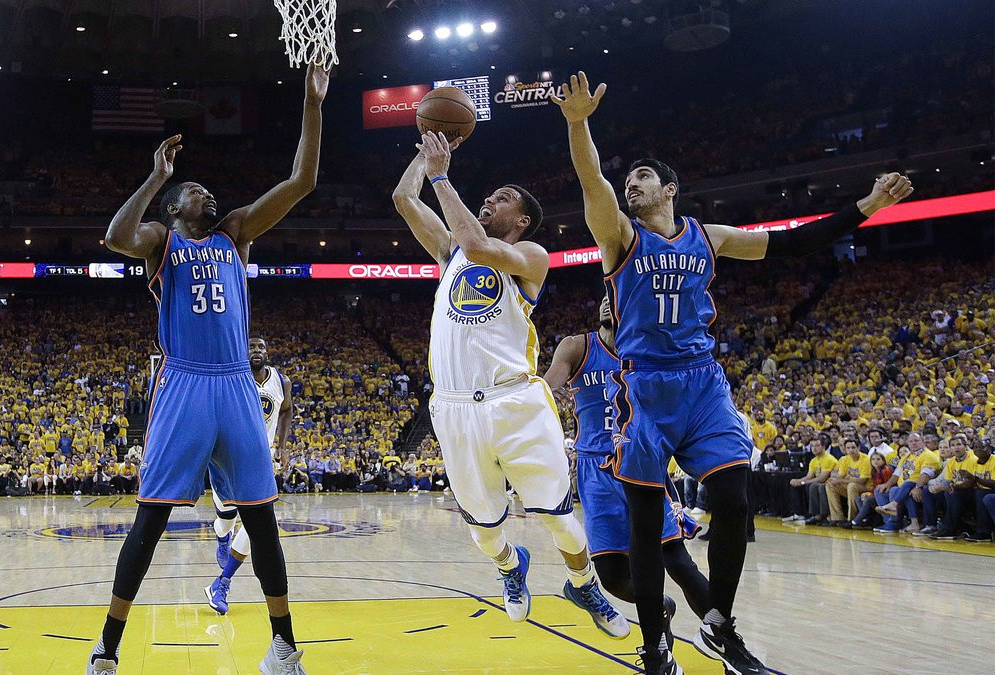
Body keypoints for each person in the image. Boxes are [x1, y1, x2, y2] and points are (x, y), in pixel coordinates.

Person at [551, 70, 913, 674]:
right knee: (647, 531)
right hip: (643, 388)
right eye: (628, 180)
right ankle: (654, 646)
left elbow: (793, 245)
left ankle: (719, 623)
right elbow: (591, 179)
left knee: (733, 495)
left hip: (701, 382)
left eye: (641, 177)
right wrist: (578, 122)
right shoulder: (618, 237)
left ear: (669, 188)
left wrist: (868, 206)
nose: (630, 185)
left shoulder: (710, 238)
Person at [87, 64, 328, 675]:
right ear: (173, 207)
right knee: (152, 516)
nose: (209, 195)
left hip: (235, 383)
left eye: (207, 191)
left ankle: (283, 646)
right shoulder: (161, 243)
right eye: (195, 191)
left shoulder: (234, 235)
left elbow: (302, 180)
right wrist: (157, 177)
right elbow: (116, 237)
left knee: (262, 518)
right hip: (185, 380)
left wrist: (312, 102)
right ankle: (107, 650)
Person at [391, 131, 628, 637]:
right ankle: (510, 567)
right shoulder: (448, 250)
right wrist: (422, 156)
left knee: (560, 518)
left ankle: (582, 582)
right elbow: (404, 200)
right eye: (489, 194)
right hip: (454, 408)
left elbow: (478, 246)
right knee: (484, 532)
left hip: (515, 400)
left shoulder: (532, 257)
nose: (488, 199)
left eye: (501, 198)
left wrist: (441, 173)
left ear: (520, 221)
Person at [543, 296, 708, 649]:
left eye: (615, 298)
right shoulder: (576, 346)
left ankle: (724, 635)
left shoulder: (654, 350)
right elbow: (549, 386)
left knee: (676, 561)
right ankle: (659, 609)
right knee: (613, 577)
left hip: (640, 462)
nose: (606, 303)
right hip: (593, 469)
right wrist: (553, 393)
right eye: (603, 298)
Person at [205, 337, 294, 616]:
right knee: (226, 519)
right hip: (227, 457)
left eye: (261, 348)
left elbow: (287, 411)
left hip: (261, 461)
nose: (257, 351)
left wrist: (281, 445)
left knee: (260, 527)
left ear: (267, 352)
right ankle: (221, 537)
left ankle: (221, 583)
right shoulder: (233, 378)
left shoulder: (282, 382)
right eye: (252, 348)